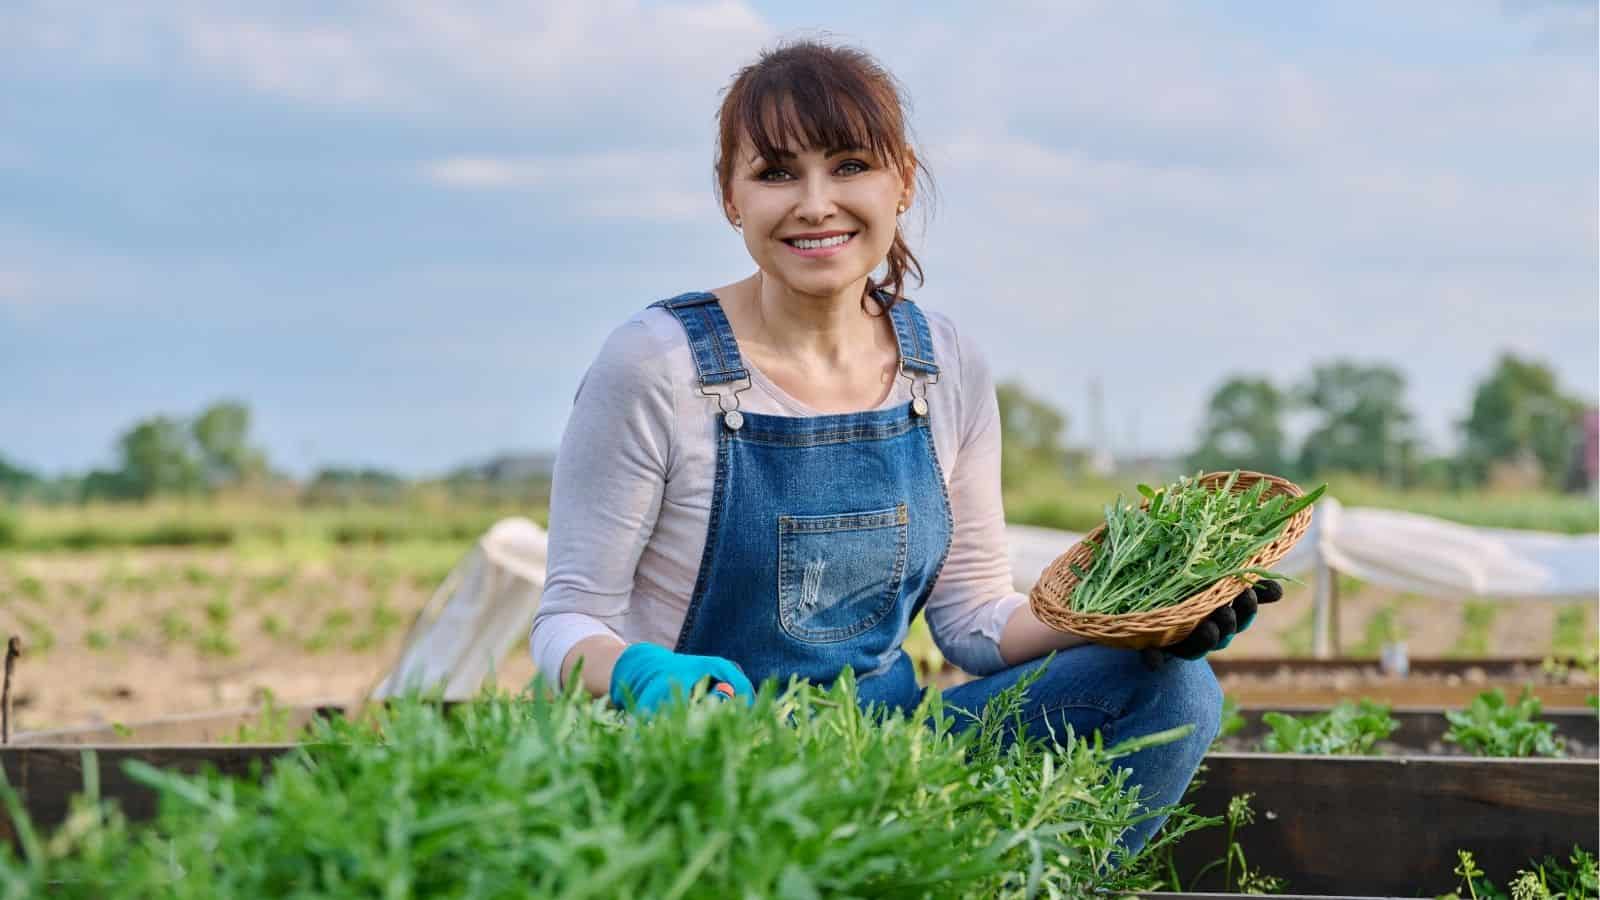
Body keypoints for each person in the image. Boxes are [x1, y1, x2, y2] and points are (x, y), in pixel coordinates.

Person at [529, 38, 1276, 856]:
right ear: (730, 197)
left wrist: (1124, 620)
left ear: (903, 181)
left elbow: (975, 621)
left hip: (890, 758)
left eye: (849, 165)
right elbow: (570, 618)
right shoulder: (657, 364)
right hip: (707, 767)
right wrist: (638, 674)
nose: (816, 203)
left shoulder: (943, 365)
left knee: (1175, 693)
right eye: (777, 173)